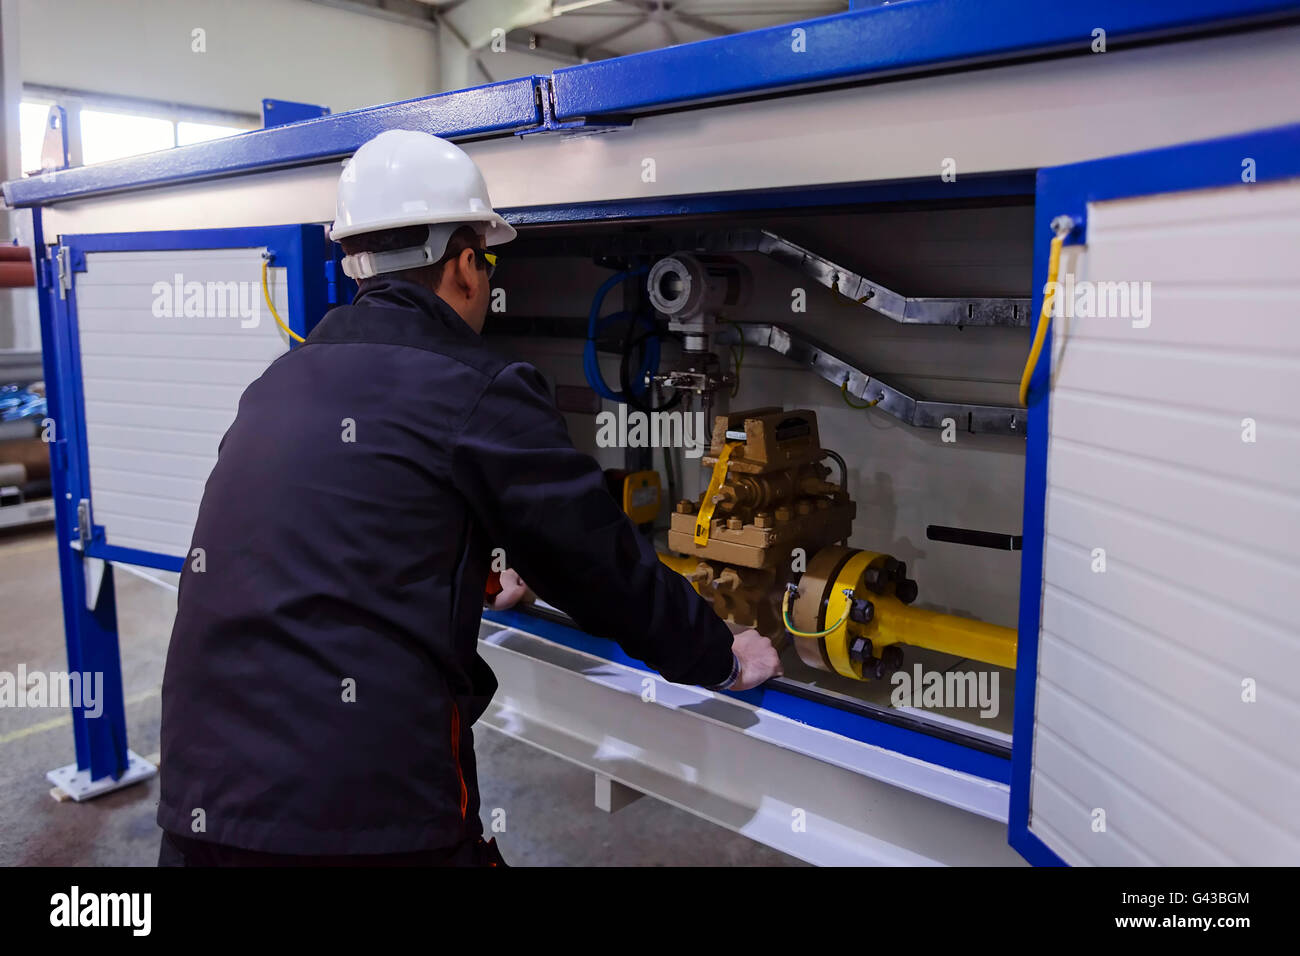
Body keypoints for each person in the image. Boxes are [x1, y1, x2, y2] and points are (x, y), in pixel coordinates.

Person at [156, 130, 781, 867]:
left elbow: (346, 529)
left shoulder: (279, 382)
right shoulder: (477, 386)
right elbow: (594, 565)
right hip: (365, 811)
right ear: (462, 265)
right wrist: (716, 656)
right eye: (485, 260)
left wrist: (479, 578)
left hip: (204, 801)